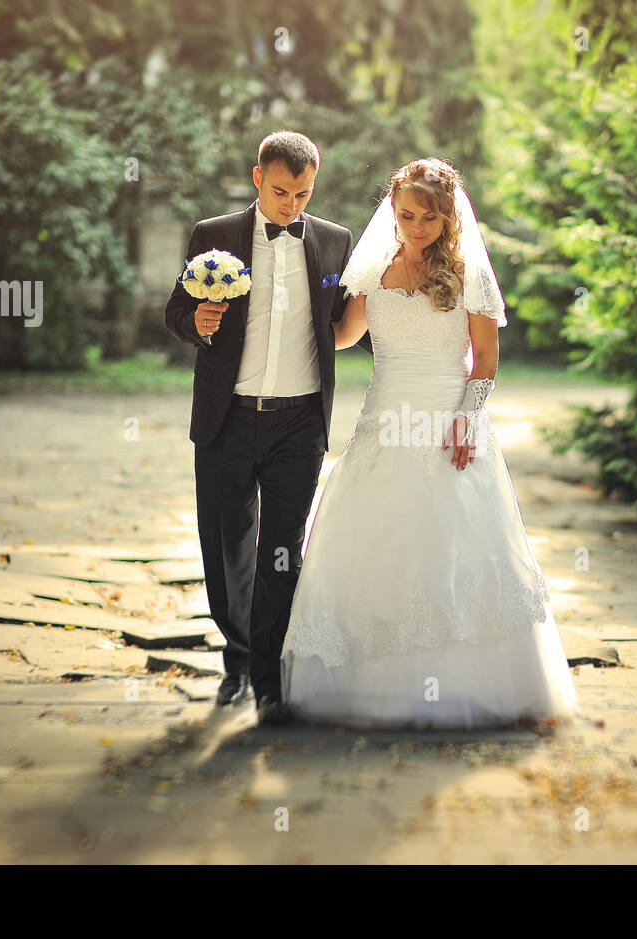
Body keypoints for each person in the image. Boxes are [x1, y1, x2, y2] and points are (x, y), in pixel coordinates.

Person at [278, 157, 580, 729]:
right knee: (373, 540)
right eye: (407, 215)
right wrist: (293, 317)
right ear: (392, 212)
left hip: (447, 422)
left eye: (430, 219)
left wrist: (467, 419)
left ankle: (470, 685)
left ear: (449, 218)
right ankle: (364, 687)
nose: (417, 228)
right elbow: (344, 335)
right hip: (384, 421)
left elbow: (485, 360)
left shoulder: (468, 274)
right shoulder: (375, 269)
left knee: (450, 544)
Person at [162, 130, 371, 725]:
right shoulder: (214, 236)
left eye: (304, 195)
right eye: (282, 192)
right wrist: (197, 322)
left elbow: (349, 322)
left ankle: (269, 677)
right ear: (258, 178)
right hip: (227, 419)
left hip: (298, 424)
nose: (293, 205)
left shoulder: (335, 242)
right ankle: (237, 653)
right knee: (227, 549)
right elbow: (175, 311)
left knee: (283, 551)